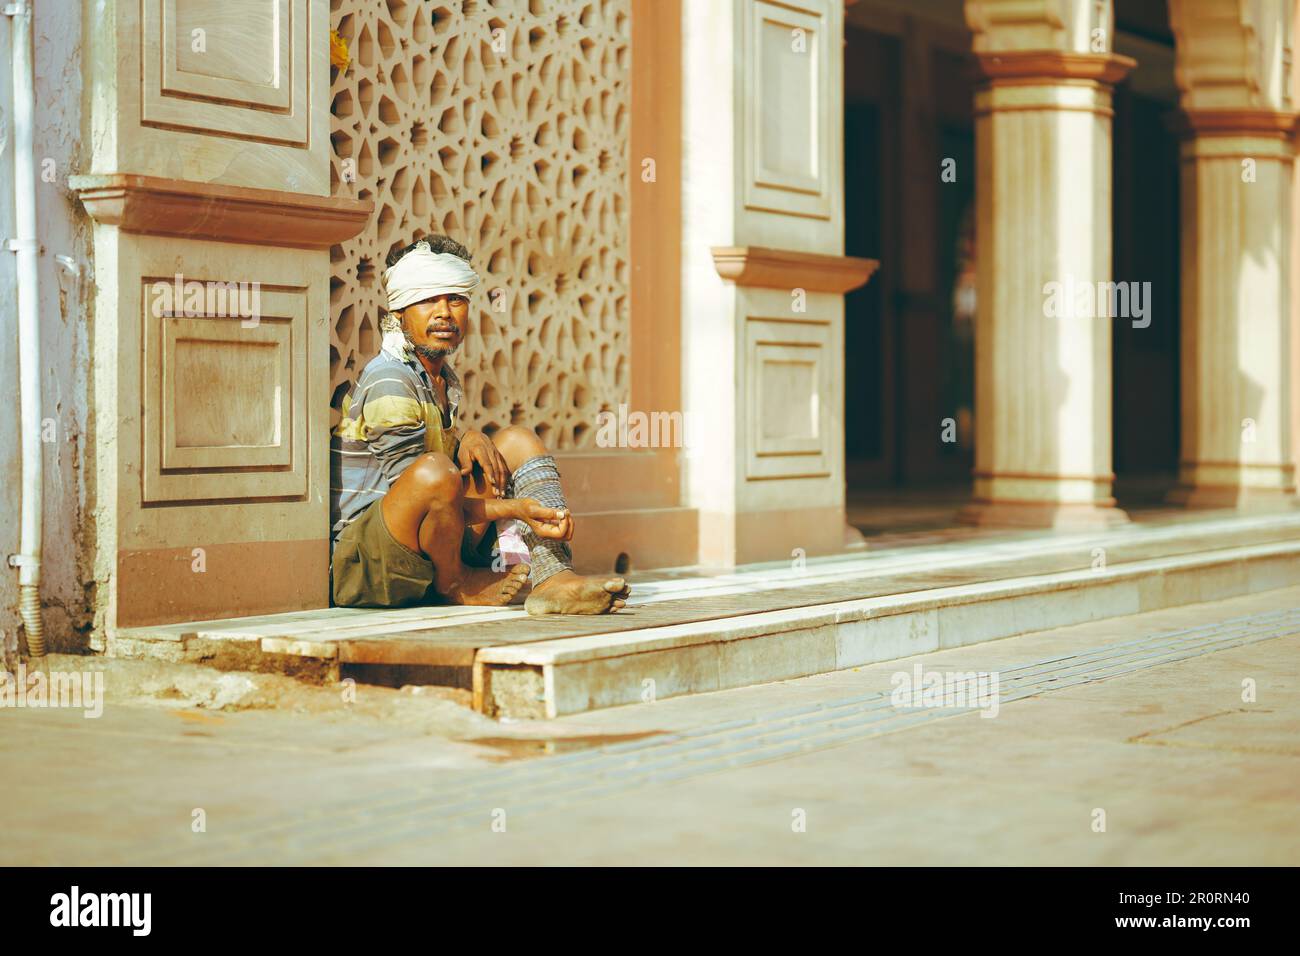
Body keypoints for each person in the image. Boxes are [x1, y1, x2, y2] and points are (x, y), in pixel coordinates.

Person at [328, 234, 631, 615]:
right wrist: (515, 508)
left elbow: (442, 490)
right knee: (436, 472)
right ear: (400, 312)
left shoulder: (441, 381)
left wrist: (465, 437)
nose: (444, 313)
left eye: (455, 299)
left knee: (515, 440)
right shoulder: (390, 378)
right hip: (368, 566)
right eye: (426, 300)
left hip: (425, 550)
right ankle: (456, 584)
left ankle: (553, 579)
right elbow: (426, 490)